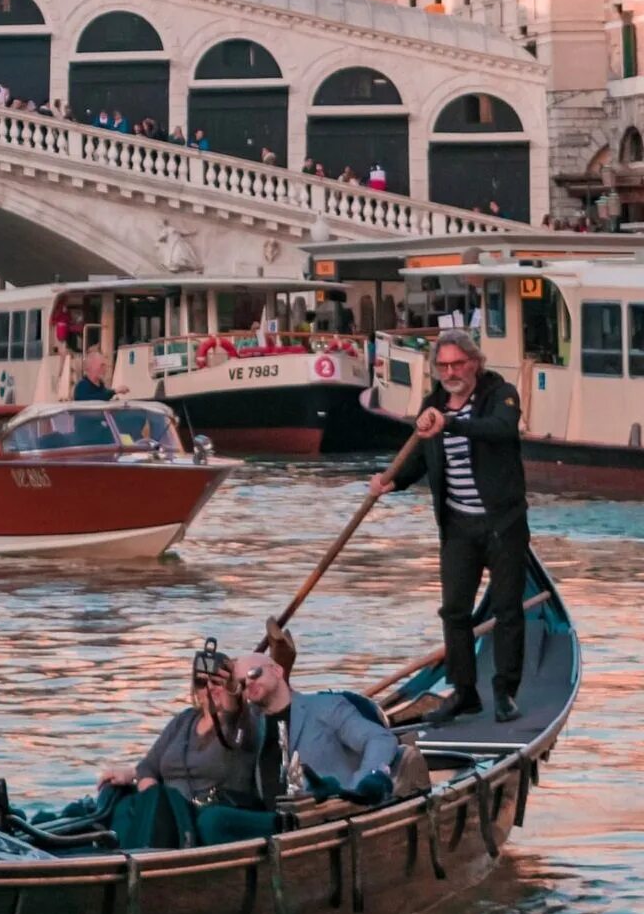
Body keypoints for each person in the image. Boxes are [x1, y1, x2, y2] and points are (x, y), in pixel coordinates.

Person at [367, 327, 529, 723]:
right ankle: (465, 691)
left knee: (508, 609)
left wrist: (451, 424)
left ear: (474, 363)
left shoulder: (500, 394)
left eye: (458, 363)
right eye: (443, 365)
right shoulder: (432, 405)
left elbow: (501, 429)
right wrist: (390, 480)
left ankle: (505, 691)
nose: (451, 371)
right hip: (458, 527)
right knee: (454, 611)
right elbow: (421, 458)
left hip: (503, 524)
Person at [224, 653, 401, 834]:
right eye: (242, 683)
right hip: (275, 826)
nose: (249, 683)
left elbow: (380, 739)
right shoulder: (249, 727)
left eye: (254, 673)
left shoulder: (326, 707)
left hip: (332, 822)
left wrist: (359, 786)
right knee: (213, 819)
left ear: (277, 671)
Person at [99, 640, 261, 818]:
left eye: (216, 682)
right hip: (167, 812)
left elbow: (235, 715)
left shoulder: (243, 722)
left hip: (211, 811)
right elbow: (147, 768)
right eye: (201, 682)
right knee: (112, 794)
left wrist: (232, 693)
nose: (209, 688)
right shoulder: (184, 721)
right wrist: (154, 799)